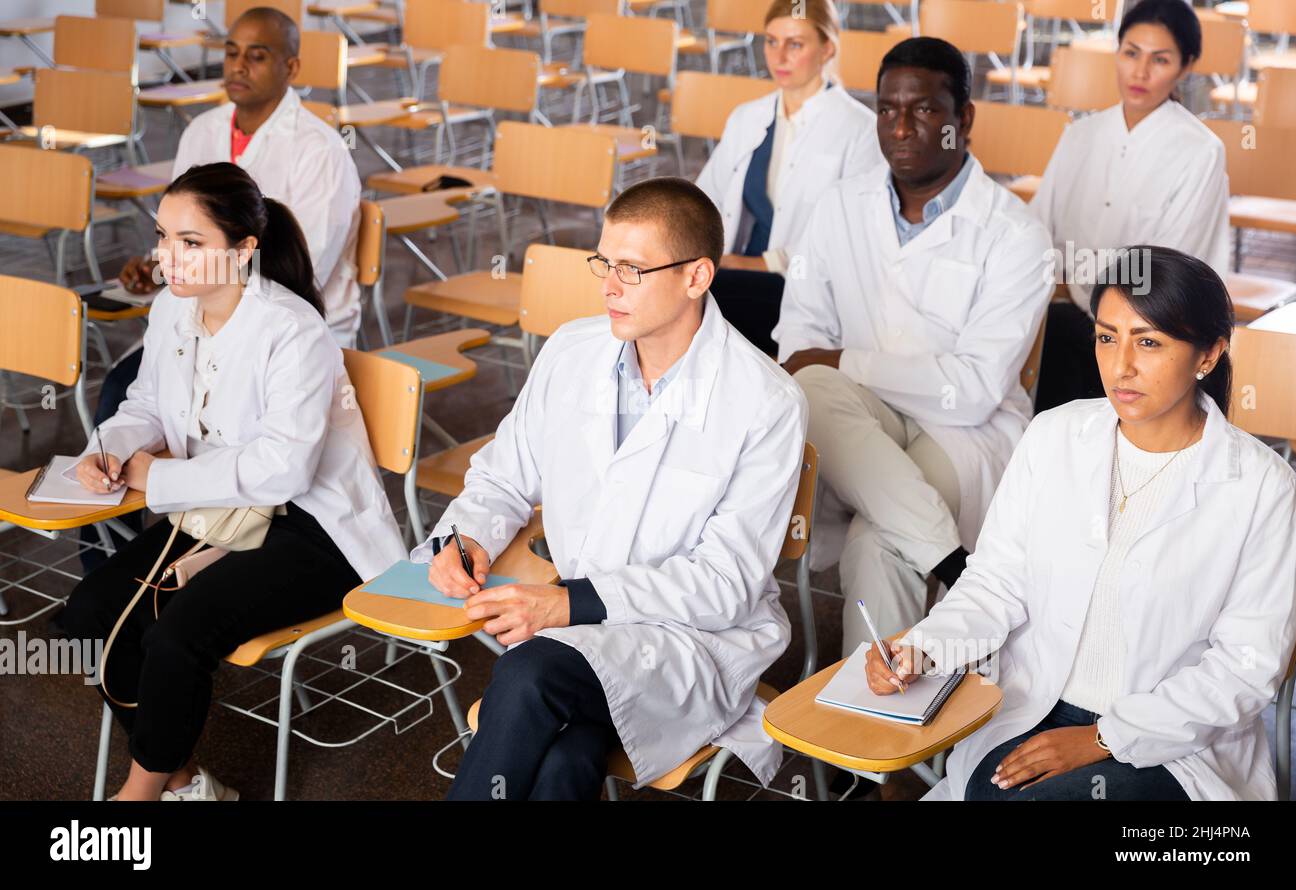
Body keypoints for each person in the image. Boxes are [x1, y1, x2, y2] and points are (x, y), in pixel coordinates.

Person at [414, 177, 808, 800]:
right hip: (579, 632)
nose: (608, 286)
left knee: (530, 677)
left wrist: (567, 604)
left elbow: (726, 584)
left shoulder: (764, 401)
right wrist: (467, 537)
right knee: (563, 757)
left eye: (632, 268)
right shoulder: (572, 350)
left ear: (696, 277)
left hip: (694, 639)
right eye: (604, 262)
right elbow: (502, 473)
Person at [869, 247, 1296, 801]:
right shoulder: (1054, 437)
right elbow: (997, 583)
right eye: (1106, 337)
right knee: (989, 793)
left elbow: (1245, 669)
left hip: (1173, 745)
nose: (1120, 365)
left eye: (1149, 342)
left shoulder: (1263, 487)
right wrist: (925, 647)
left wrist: (1103, 738)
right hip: (1035, 708)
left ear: (1209, 355)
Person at [61, 163, 405, 802]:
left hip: (312, 527)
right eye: (163, 237)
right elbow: (144, 403)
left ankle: (137, 796)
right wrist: (105, 448)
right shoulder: (172, 308)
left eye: (191, 243)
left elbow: (285, 468)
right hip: (221, 512)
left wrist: (160, 476)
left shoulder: (293, 329)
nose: (169, 258)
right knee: (88, 613)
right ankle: (188, 782)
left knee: (176, 633)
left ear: (244, 250)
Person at [772, 37, 1052, 648]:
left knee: (879, 543)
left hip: (963, 435)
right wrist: (829, 366)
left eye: (923, 110)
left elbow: (973, 392)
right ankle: (956, 567)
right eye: (886, 109)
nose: (900, 128)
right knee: (808, 387)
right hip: (861, 417)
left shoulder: (1015, 234)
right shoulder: (838, 206)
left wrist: (844, 361)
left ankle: (869, 734)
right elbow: (797, 340)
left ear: (963, 118)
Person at [73, 5, 365, 576]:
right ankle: (110, 549)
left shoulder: (319, 149)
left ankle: (175, 533)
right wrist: (156, 269)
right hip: (206, 309)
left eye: (257, 55)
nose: (239, 65)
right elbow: (187, 226)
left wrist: (194, 284)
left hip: (279, 320)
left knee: (151, 400)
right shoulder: (203, 130)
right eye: (231, 51)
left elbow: (303, 265)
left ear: (292, 66)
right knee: (123, 391)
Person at [1031, 0, 1230, 412]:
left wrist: (1084, 293)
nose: (1140, 73)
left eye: (1160, 60)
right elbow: (1036, 228)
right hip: (1068, 321)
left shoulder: (1200, 151)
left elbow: (1175, 268)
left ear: (1186, 65)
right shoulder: (1080, 135)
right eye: (1131, 53)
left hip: (1147, 330)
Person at [696, 0, 880, 355]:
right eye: (771, 41)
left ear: (827, 48)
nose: (778, 56)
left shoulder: (860, 129)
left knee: (696, 304)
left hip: (804, 289)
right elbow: (706, 199)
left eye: (795, 44)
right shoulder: (747, 117)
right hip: (732, 272)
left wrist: (762, 263)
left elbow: (852, 236)